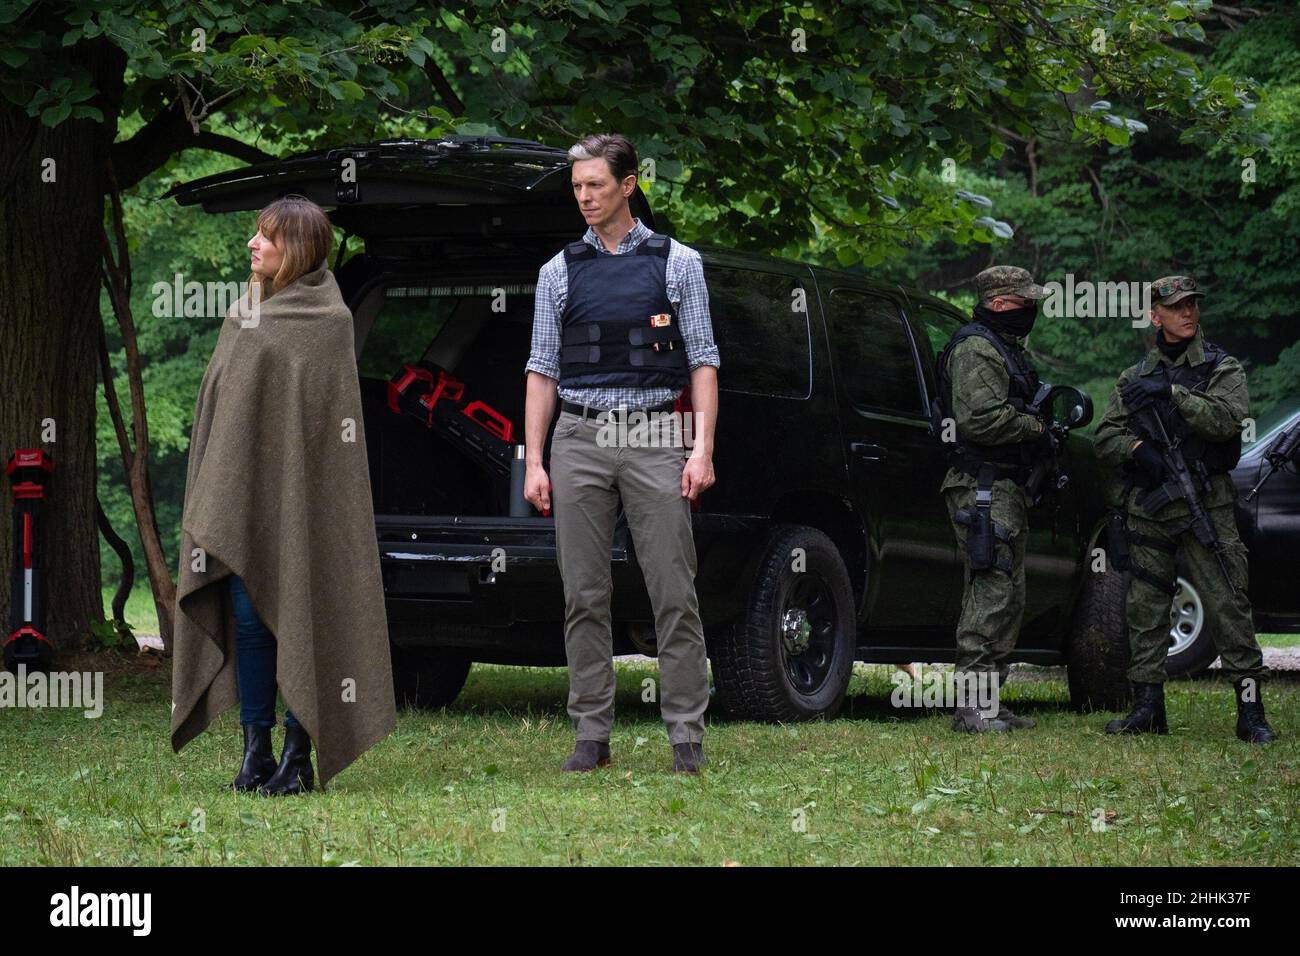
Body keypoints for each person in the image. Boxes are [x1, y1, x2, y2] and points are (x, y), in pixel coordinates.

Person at [170, 195, 397, 794]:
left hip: (311, 503)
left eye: (265, 236)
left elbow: (326, 430)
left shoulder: (330, 319)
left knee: (306, 614)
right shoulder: (243, 313)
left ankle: (299, 756)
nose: (252, 244)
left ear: (294, 247)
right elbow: (223, 412)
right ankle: (255, 752)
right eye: (254, 233)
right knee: (248, 618)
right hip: (247, 501)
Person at [522, 133, 720, 774]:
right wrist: (534, 460)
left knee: (673, 588)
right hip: (577, 434)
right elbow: (541, 368)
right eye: (576, 186)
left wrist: (702, 449)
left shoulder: (677, 262)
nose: (583, 196)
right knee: (583, 592)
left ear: (628, 184)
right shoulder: (557, 270)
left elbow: (704, 362)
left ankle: (686, 734)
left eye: (595, 185)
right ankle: (590, 735)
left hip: (657, 432)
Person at [1093, 275, 1275, 742]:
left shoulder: (1221, 367)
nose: (1188, 313)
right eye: (1176, 307)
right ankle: (1147, 707)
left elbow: (1226, 420)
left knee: (1228, 604)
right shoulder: (1133, 378)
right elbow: (1105, 437)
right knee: (1145, 607)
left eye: (1193, 305)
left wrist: (1173, 395)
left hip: (1204, 507)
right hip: (1150, 510)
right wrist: (1138, 449)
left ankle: (1250, 712)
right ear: (1155, 316)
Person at [935, 266, 1052, 733]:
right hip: (981, 486)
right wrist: (1036, 428)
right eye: (1026, 303)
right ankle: (972, 707)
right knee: (991, 589)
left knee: (1009, 592)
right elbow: (980, 420)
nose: (1032, 311)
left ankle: (990, 700)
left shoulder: (1005, 350)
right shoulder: (976, 348)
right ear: (1001, 303)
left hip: (1004, 487)